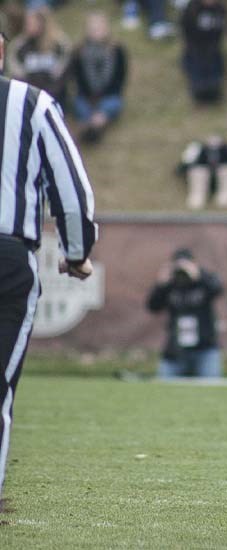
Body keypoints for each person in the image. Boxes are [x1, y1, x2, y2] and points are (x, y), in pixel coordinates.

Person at [0, 17, 98, 500]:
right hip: (6, 256)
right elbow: (71, 191)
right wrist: (77, 253)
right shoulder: (29, 103)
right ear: (1, 53)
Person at [147, 249, 224, 379]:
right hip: (175, 350)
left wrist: (198, 275)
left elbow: (217, 289)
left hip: (204, 348)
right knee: (163, 390)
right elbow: (153, 306)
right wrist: (160, 285)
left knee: (211, 390)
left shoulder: (203, 281)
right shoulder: (170, 285)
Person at [69, 12, 128, 143]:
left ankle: (94, 125)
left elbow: (120, 78)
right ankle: (89, 126)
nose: (96, 32)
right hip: (86, 96)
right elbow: (77, 79)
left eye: (99, 28)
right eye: (92, 29)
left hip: (109, 95)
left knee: (112, 104)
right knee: (80, 106)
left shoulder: (117, 50)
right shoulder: (79, 52)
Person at [7, 7, 71, 103]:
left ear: (42, 23)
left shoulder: (58, 45)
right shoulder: (20, 46)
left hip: (54, 96)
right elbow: (16, 72)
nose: (28, 26)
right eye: (27, 23)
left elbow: (62, 72)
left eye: (32, 23)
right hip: (29, 98)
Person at [179, 135, 227, 209]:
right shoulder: (199, 148)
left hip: (221, 172)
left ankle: (225, 197)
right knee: (198, 172)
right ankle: (197, 197)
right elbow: (186, 162)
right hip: (203, 172)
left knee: (226, 171)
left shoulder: (225, 150)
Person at [180, 0, 227, 103]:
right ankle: (199, 90)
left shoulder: (220, 9)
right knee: (196, 58)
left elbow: (220, 31)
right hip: (195, 46)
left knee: (214, 58)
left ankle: (213, 91)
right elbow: (186, 30)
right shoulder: (191, 8)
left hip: (213, 47)